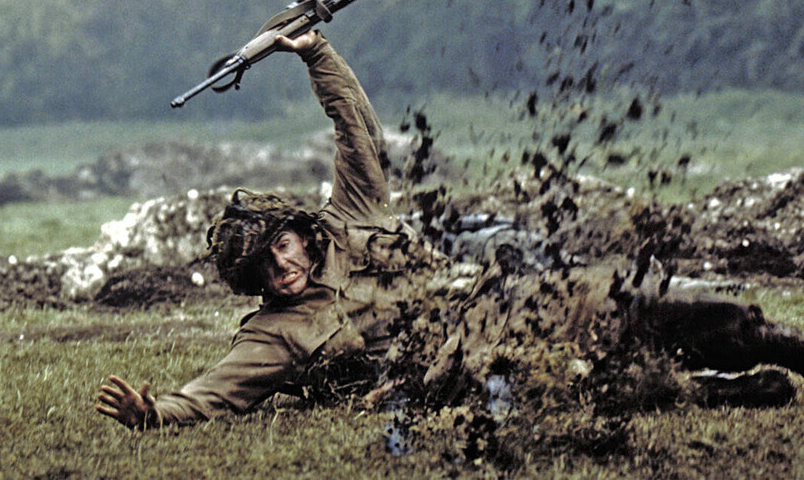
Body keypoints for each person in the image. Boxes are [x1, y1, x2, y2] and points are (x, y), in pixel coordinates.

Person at [97, 29, 804, 428]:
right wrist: (154, 411)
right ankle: (720, 392)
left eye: (278, 249)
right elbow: (217, 389)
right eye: (261, 273)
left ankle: (767, 344)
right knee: (579, 390)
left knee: (639, 304)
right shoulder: (273, 334)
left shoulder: (351, 219)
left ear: (293, 231)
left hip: (501, 301)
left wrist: (315, 52)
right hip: (450, 368)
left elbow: (359, 134)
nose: (279, 270)